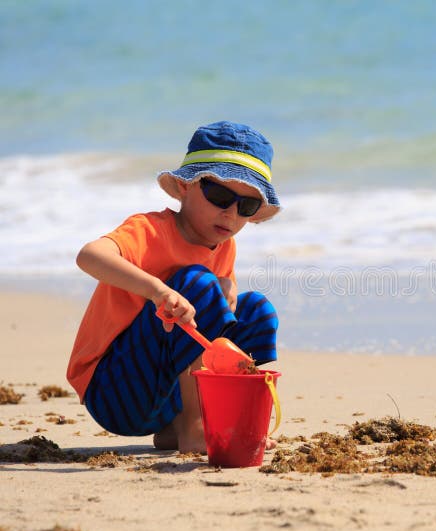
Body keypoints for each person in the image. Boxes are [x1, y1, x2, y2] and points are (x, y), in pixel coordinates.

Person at [67, 121, 281, 453]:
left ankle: (218, 422)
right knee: (195, 283)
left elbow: (215, 336)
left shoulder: (223, 247)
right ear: (185, 187)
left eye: (246, 206)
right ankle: (196, 430)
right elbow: (89, 256)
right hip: (115, 391)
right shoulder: (151, 230)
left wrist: (227, 292)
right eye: (219, 195)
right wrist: (158, 291)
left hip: (164, 399)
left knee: (256, 310)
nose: (230, 213)